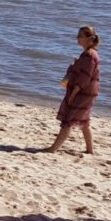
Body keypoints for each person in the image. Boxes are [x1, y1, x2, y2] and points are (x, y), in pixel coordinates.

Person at [46, 26, 101, 155]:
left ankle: (53, 148)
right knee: (84, 121)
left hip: (84, 92)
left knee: (68, 120)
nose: (78, 38)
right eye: (78, 35)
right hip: (88, 91)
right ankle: (90, 149)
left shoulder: (89, 54)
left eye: (81, 36)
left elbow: (85, 77)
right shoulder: (89, 53)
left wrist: (74, 92)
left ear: (90, 38)